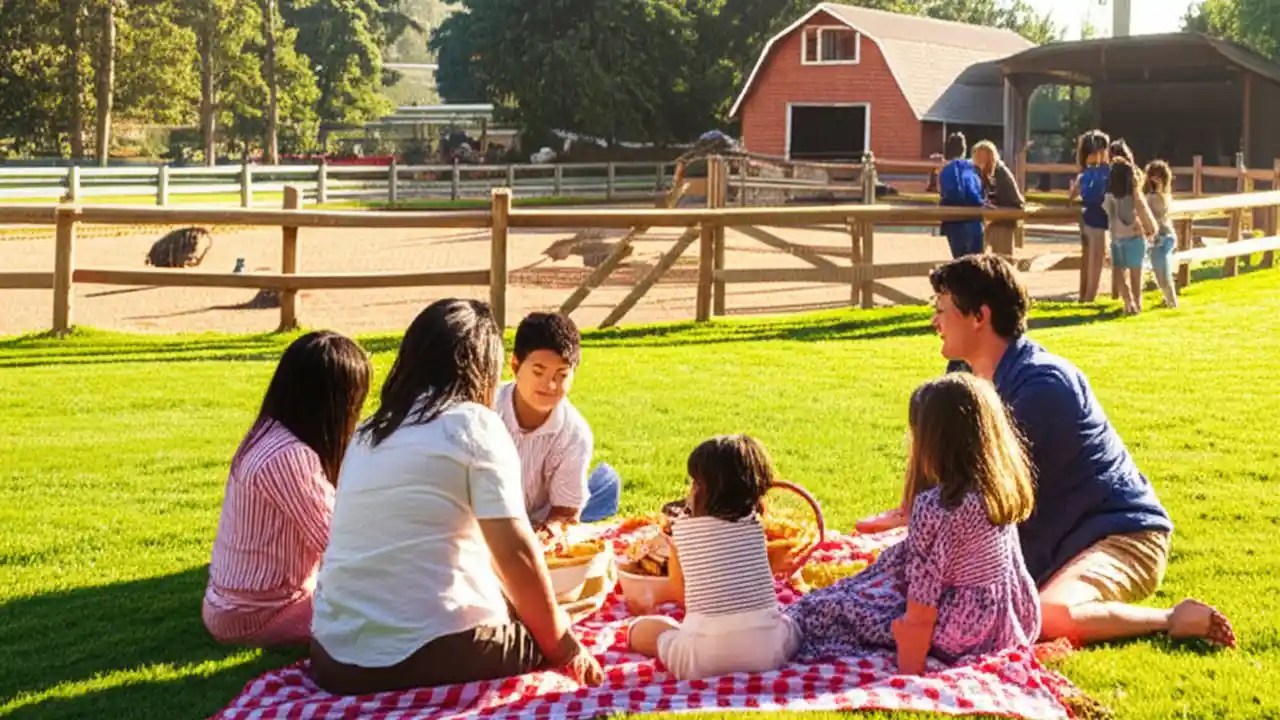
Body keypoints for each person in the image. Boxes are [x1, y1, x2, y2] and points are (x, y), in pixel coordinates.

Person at [859, 255, 1235, 649]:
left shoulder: (1045, 386)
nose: (934, 321)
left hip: (1119, 535)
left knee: (1048, 616)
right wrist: (910, 515)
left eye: (941, 310)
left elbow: (985, 497)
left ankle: (1174, 618)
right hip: (1051, 540)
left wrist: (918, 528)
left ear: (979, 316)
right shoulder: (963, 377)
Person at [309, 299, 604, 695]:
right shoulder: (476, 424)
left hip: (333, 658)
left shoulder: (369, 429)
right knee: (544, 619)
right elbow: (514, 553)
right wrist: (565, 646)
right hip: (429, 650)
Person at [790, 374, 1040, 674]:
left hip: (956, 634)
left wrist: (909, 669)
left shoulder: (936, 508)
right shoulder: (998, 491)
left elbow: (921, 610)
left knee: (820, 610)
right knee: (870, 584)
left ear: (934, 442)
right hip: (1007, 624)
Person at [203, 331, 371, 647]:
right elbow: (340, 541)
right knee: (396, 613)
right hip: (260, 612)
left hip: (231, 604)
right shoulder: (290, 457)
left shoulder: (268, 433)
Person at [627, 435, 799, 680]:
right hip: (769, 654)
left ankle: (643, 627)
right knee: (790, 622)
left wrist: (649, 600)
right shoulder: (754, 527)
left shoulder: (683, 531)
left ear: (699, 489)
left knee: (641, 630)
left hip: (699, 660)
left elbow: (680, 595)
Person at [495, 312, 621, 531]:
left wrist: (541, 537)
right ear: (515, 365)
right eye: (538, 372)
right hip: (481, 523)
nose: (550, 385)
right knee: (604, 487)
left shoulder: (574, 433)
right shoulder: (483, 409)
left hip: (537, 525)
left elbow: (564, 514)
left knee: (607, 486)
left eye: (561, 375)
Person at [1103, 158, 1157, 315]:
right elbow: (1142, 210)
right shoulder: (1135, 196)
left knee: (1119, 273)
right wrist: (1151, 228)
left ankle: (1128, 301)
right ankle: (1137, 302)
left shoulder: (1109, 197)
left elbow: (1107, 217)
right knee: (1136, 274)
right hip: (1135, 238)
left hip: (1117, 240)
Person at [1069, 130, 1111, 302]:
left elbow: (1073, 195)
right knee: (1095, 254)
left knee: (1096, 254)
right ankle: (1089, 294)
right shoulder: (1092, 174)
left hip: (1098, 214)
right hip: (1095, 215)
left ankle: (1090, 294)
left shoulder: (1095, 173)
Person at [937, 132, 987, 258]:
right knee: (977, 262)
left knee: (959, 262)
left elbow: (946, 194)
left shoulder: (945, 170)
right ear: (964, 149)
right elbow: (974, 192)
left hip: (954, 223)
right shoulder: (971, 169)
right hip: (974, 220)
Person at [971, 140, 1025, 256]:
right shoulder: (983, 172)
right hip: (993, 217)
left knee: (1003, 257)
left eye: (980, 156)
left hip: (1005, 216)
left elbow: (1002, 197)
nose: (977, 159)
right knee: (977, 249)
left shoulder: (1000, 172)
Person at [1144, 160, 1179, 308]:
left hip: (1161, 237)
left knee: (1162, 272)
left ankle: (1172, 301)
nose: (1154, 179)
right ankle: (1168, 299)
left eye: (1158, 177)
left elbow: (1158, 215)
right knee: (1162, 270)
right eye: (1152, 176)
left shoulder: (1157, 196)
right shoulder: (1163, 195)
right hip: (1164, 236)